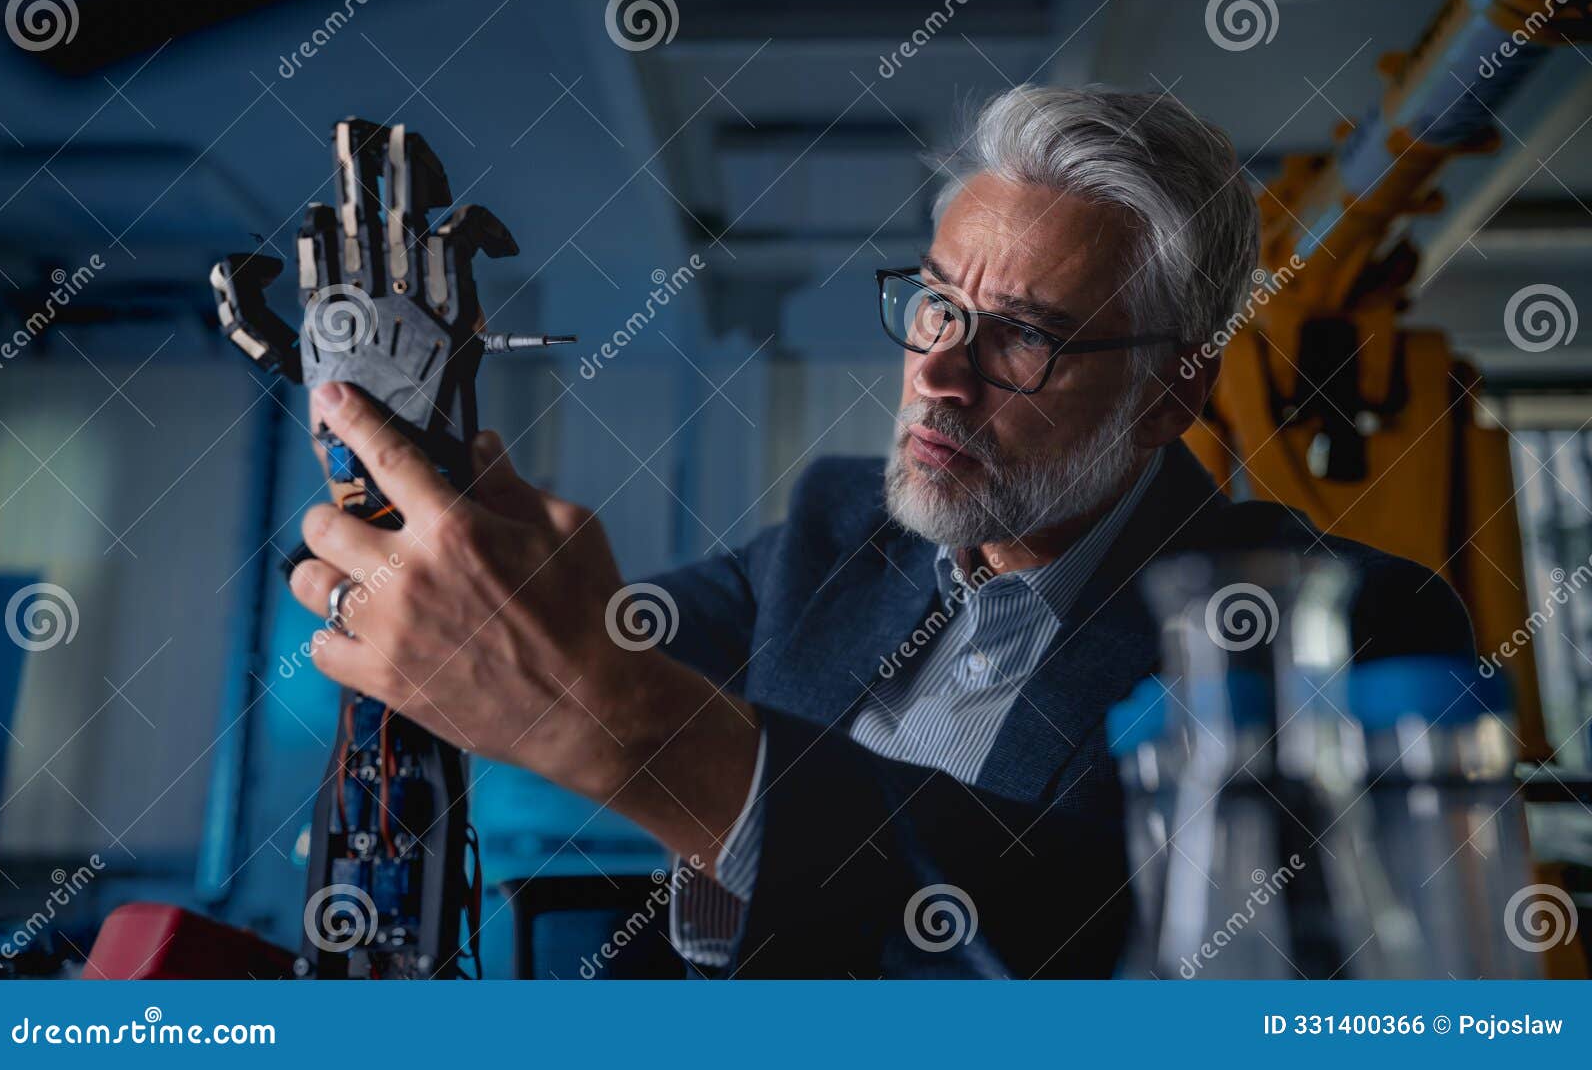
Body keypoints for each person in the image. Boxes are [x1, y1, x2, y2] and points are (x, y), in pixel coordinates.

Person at [287, 85, 1475, 977]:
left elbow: (1111, 934)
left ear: (1169, 394)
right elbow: (592, 636)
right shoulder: (839, 525)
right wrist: (451, 543)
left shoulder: (1332, 623)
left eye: (1022, 337)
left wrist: (624, 730)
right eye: (936, 303)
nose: (939, 372)